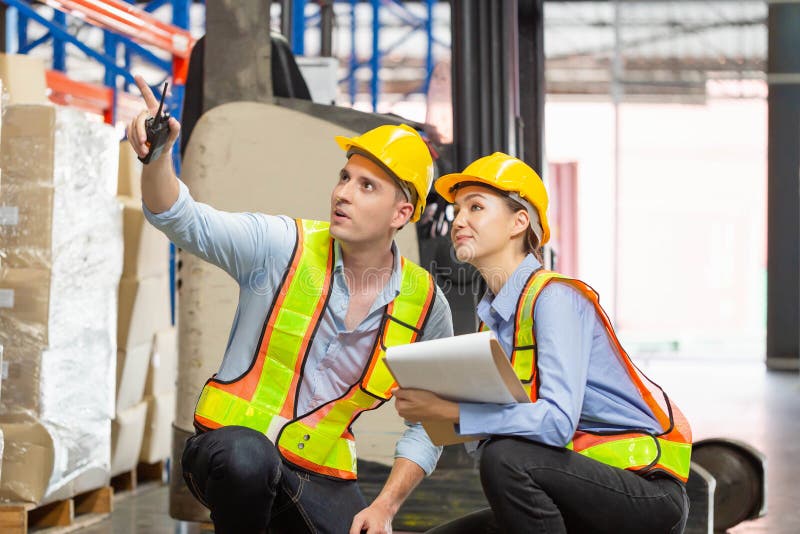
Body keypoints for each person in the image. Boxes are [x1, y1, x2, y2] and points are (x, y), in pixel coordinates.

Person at [126, 76, 453, 534]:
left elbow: (433, 420)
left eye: (366, 186)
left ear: (401, 213)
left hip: (319, 474)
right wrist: (157, 156)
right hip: (230, 453)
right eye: (344, 177)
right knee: (248, 460)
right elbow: (183, 219)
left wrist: (385, 506)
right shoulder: (282, 246)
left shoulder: (425, 305)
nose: (342, 193)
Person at [392, 152, 692, 534]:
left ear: (519, 222)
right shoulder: (495, 317)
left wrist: (454, 410)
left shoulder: (555, 299)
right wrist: (435, 408)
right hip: (571, 488)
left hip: (644, 493)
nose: (459, 220)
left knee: (504, 458)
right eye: (457, 210)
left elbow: (557, 423)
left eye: (475, 207)